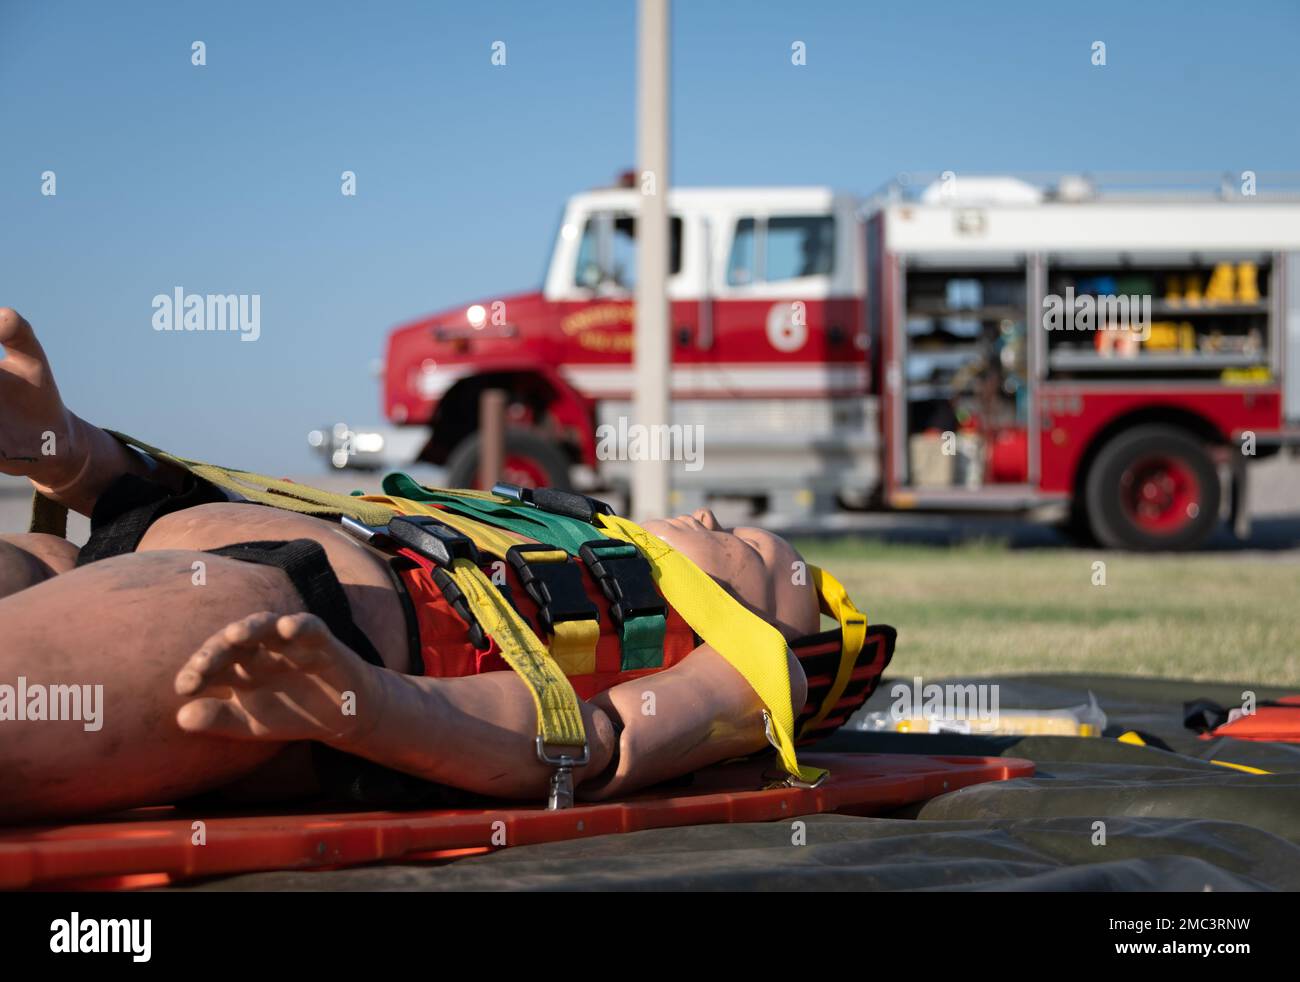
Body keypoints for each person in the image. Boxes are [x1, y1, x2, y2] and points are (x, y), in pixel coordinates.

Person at [0, 308, 817, 823]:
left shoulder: (755, 667)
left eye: (748, 550)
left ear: (758, 617)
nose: (712, 517)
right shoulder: (558, 526)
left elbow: (587, 743)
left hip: (281, 630)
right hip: (146, 546)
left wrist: (373, 705)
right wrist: (65, 448)